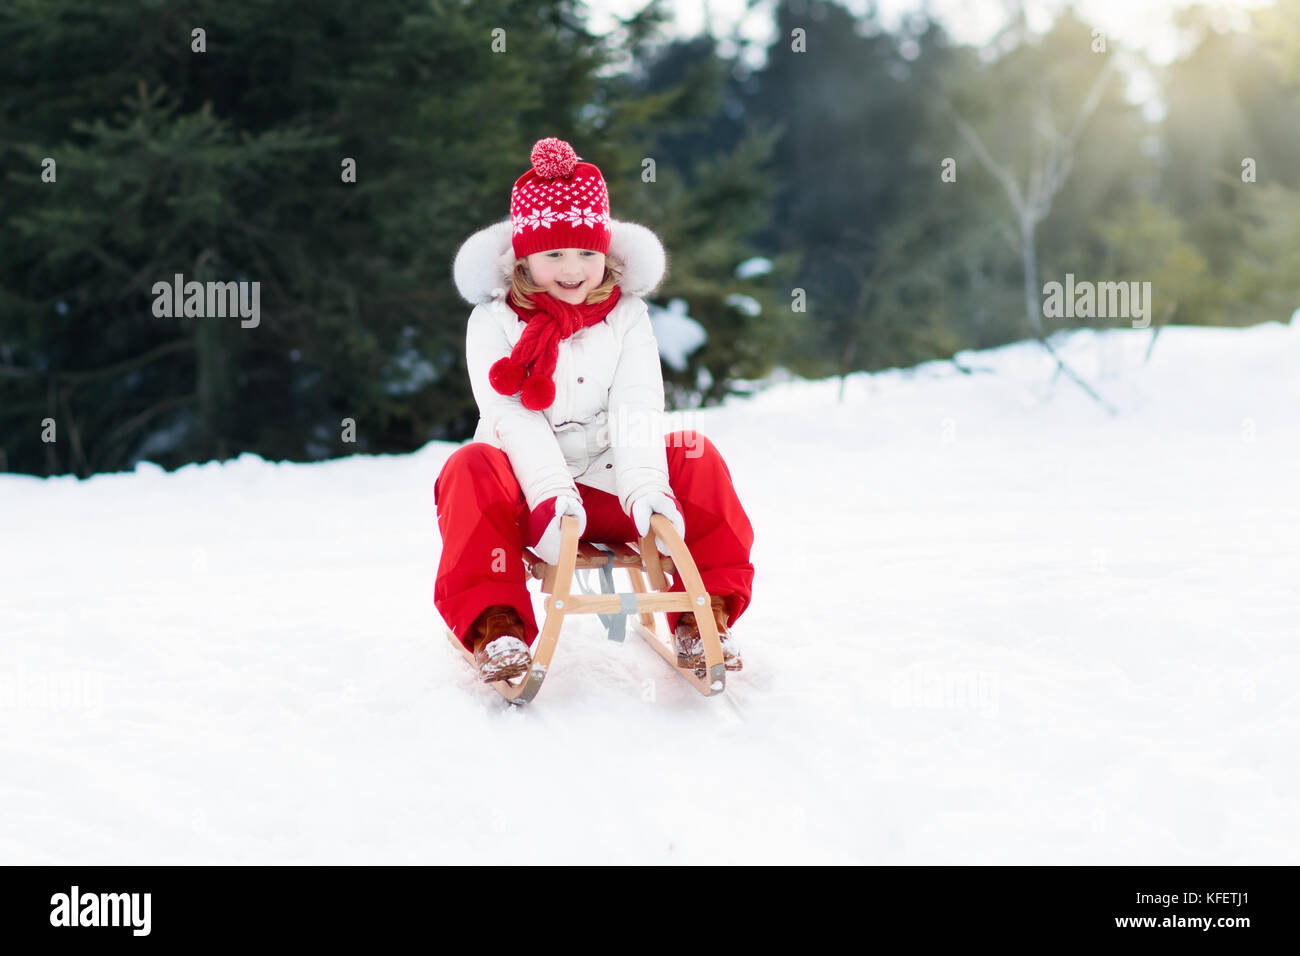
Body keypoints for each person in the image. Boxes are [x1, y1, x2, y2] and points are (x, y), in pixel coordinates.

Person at [435, 137, 755, 683]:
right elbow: (512, 414)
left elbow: (638, 404)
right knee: (467, 466)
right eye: (554, 254)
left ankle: (703, 616)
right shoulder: (492, 321)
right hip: (528, 501)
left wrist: (646, 488)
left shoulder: (626, 315)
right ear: (523, 258)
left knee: (696, 453)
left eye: (587, 252)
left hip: (613, 487)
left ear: (606, 252)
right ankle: (497, 625)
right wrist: (550, 498)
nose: (572, 269)